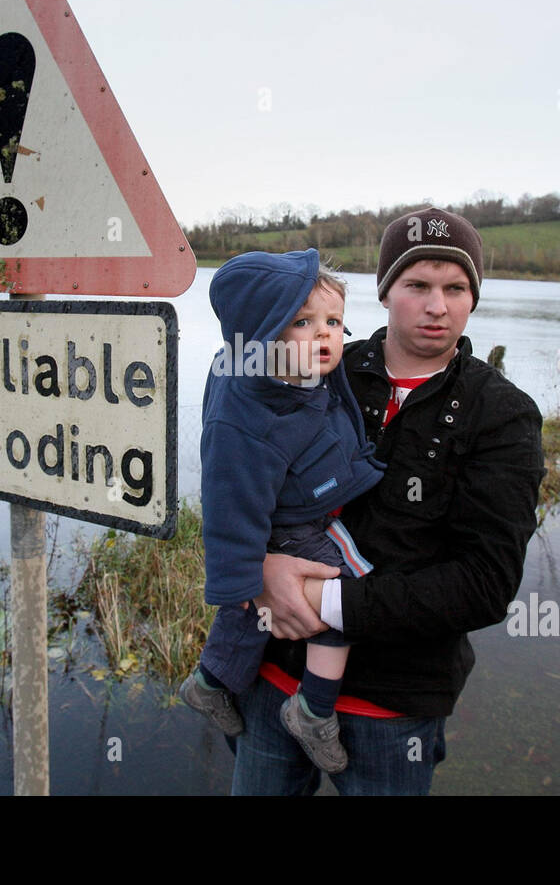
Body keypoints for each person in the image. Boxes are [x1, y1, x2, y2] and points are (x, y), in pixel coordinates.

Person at [228, 206, 547, 795]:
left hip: (394, 707)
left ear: (473, 298)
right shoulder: (323, 367)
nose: (437, 306)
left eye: (456, 288)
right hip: (274, 672)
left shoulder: (501, 413)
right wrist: (261, 570)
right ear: (385, 292)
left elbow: (486, 582)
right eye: (417, 285)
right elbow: (239, 477)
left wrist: (330, 603)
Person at [180, 248, 384, 773]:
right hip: (291, 525)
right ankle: (312, 711)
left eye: (334, 322)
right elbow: (230, 504)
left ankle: (210, 682)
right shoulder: (249, 415)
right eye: (303, 322)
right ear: (263, 332)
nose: (326, 336)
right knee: (346, 601)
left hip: (302, 510)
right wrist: (238, 579)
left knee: (252, 619)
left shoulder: (299, 373)